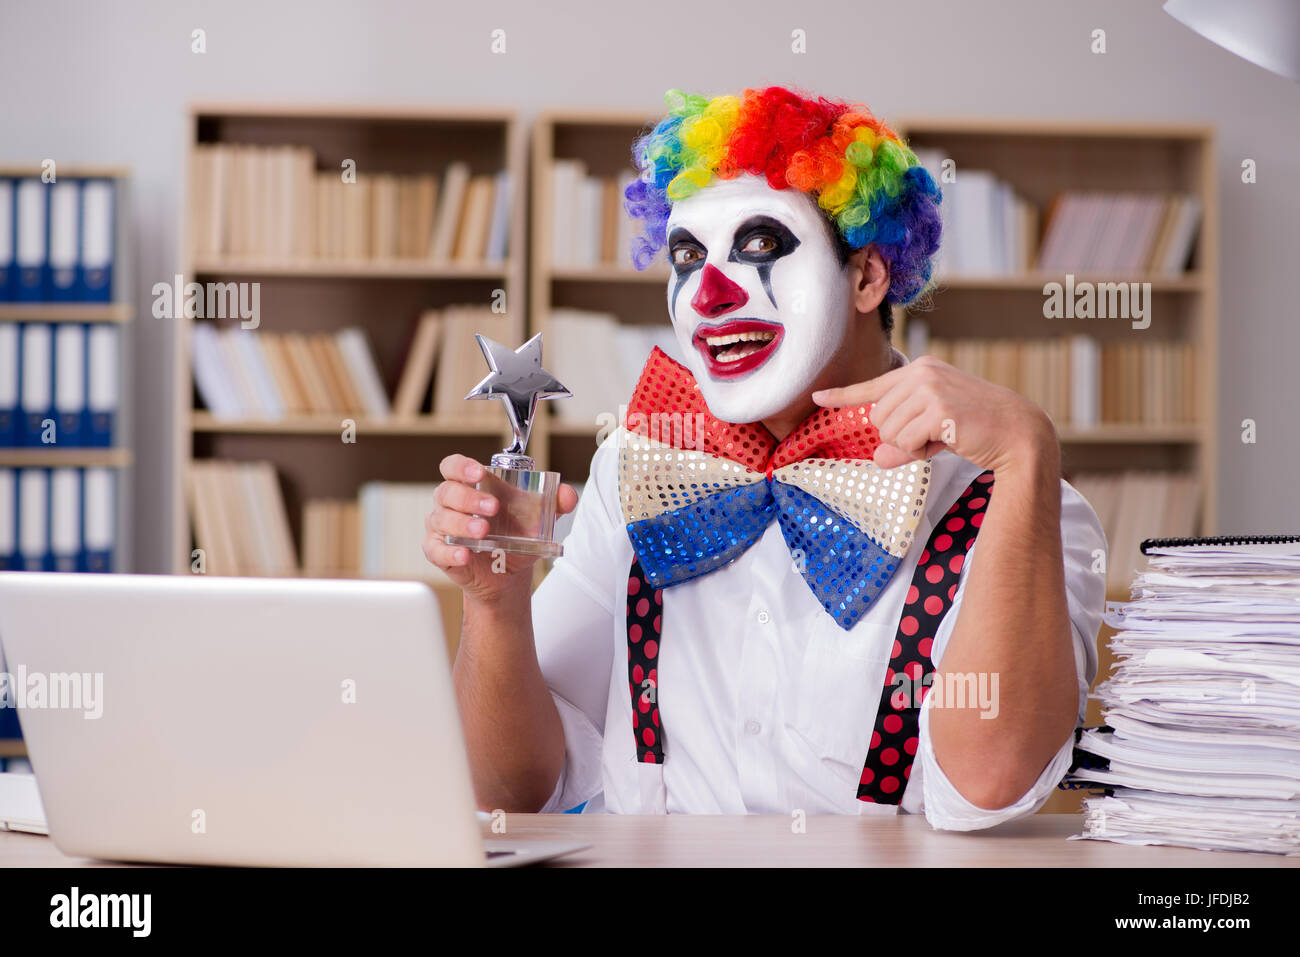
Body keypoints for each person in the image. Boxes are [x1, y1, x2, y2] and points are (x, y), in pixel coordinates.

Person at [424, 86, 1106, 828]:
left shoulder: (1013, 500)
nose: (709, 293)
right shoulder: (639, 466)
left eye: (757, 246)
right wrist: (495, 604)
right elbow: (511, 789)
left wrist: (1028, 450)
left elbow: (992, 784)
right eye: (688, 256)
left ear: (868, 277)